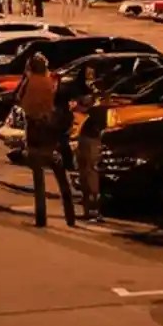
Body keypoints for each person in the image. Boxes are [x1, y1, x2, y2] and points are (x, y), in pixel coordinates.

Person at [17, 54, 75, 227]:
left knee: (38, 175)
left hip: (34, 129)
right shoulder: (50, 81)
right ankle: (70, 216)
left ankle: (41, 217)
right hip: (49, 129)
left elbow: (19, 98)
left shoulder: (30, 81)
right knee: (59, 172)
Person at [74, 65, 108, 221]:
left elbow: (86, 110)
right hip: (85, 138)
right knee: (84, 173)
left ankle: (95, 209)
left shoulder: (102, 102)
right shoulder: (92, 99)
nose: (91, 82)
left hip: (92, 140)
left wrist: (87, 103)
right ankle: (88, 208)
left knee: (91, 173)